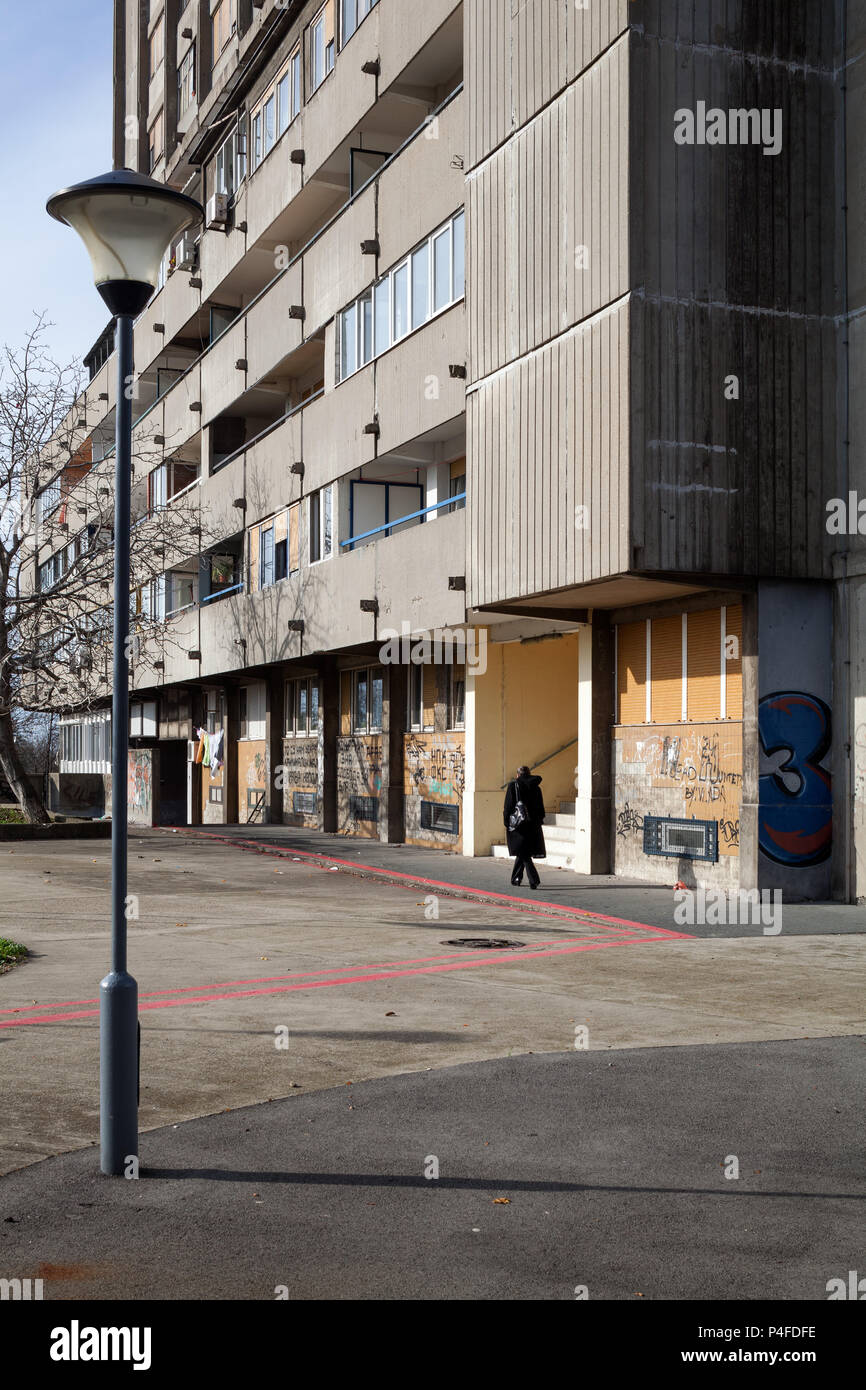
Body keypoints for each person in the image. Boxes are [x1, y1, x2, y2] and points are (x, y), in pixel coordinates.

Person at [503, 765, 546, 889]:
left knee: (524, 852)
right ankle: (516, 878)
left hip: (519, 824)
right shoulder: (536, 787)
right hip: (533, 824)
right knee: (523, 850)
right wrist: (539, 820)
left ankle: (534, 879)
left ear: (518, 775)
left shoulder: (513, 786)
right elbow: (541, 808)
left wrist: (507, 821)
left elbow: (508, 806)